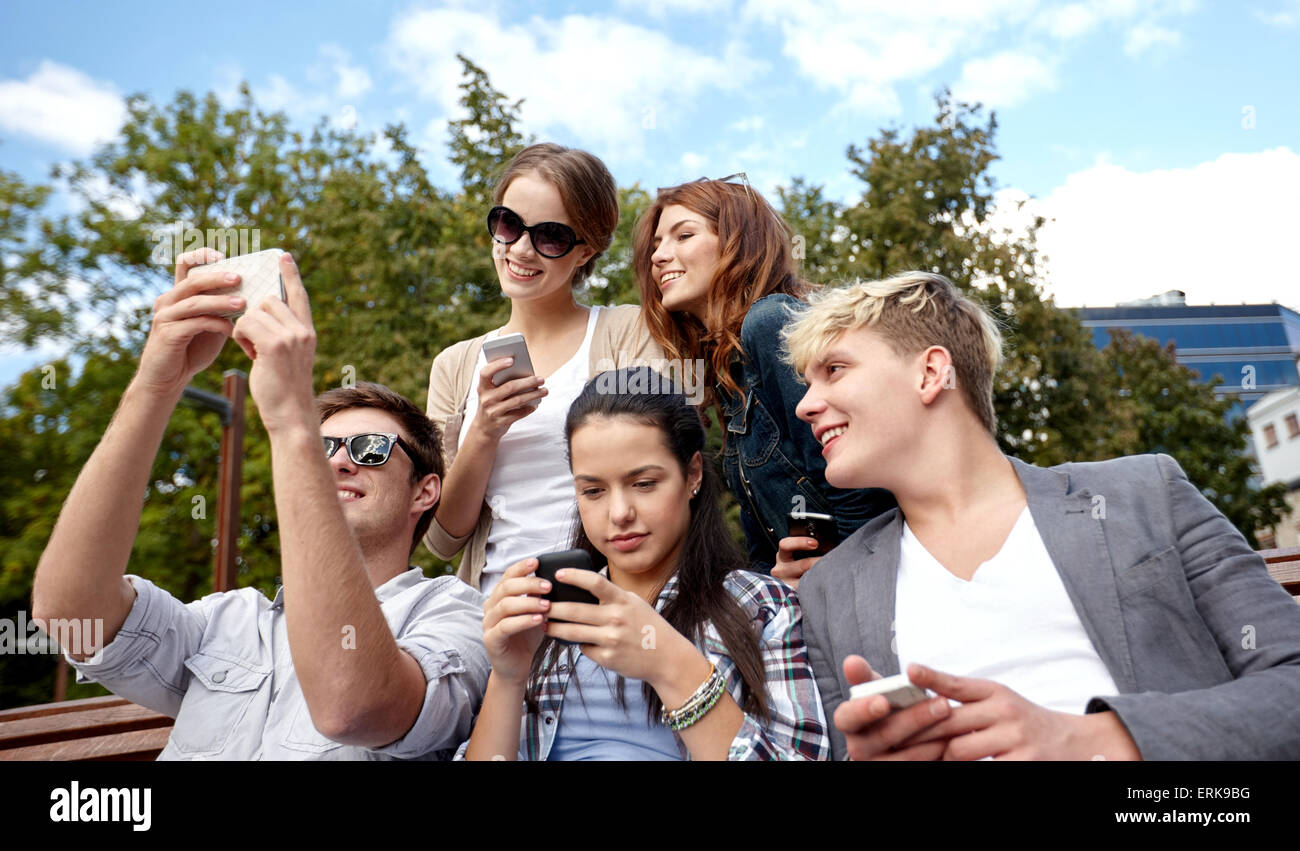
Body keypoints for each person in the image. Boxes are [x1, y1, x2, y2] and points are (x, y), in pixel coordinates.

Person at [783, 271, 1300, 760]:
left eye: (834, 370)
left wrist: (1096, 737)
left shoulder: (1145, 494)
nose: (806, 405)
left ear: (931, 372)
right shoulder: (829, 590)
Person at [32, 248, 489, 760]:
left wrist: (293, 419)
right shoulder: (227, 620)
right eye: (323, 449)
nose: (338, 463)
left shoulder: (456, 614)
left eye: (370, 449)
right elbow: (70, 614)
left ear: (425, 491)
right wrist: (158, 384)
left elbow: (353, 708)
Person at [461, 367, 829, 760]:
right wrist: (508, 676)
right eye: (593, 490)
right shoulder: (546, 620)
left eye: (644, 484)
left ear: (692, 475)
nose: (619, 513)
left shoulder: (761, 605)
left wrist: (671, 665)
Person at [631, 175, 893, 586]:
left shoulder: (770, 323)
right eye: (656, 244)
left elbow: (857, 486)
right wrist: (776, 582)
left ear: (739, 242)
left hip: (866, 585)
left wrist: (844, 581)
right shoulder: (725, 373)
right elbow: (763, 546)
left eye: (683, 235)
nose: (659, 256)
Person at [426, 143, 663, 595]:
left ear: (585, 251)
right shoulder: (454, 366)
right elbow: (441, 540)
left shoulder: (628, 331)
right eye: (508, 224)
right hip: (491, 615)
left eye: (549, 236)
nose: (520, 249)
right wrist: (484, 431)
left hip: (607, 605)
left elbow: (662, 475)